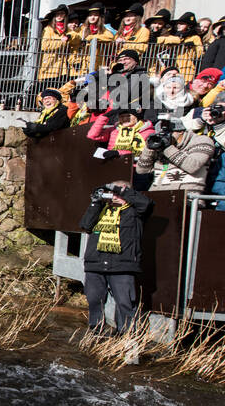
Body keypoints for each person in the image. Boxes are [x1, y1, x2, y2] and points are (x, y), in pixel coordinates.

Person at [79, 180, 151, 334]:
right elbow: (86, 225)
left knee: (125, 303)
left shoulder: (134, 212)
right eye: (113, 194)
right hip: (96, 263)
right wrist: (95, 202)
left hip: (122, 265)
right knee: (93, 299)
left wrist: (121, 190)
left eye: (120, 193)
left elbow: (146, 204)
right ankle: (95, 331)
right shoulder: (102, 209)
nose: (116, 196)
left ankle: (126, 335)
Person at [137, 114, 215, 192]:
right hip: (157, 196)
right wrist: (149, 149)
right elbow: (141, 171)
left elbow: (192, 166)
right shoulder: (160, 146)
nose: (164, 137)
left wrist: (168, 148)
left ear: (181, 131)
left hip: (187, 197)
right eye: (160, 134)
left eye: (167, 134)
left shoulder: (201, 141)